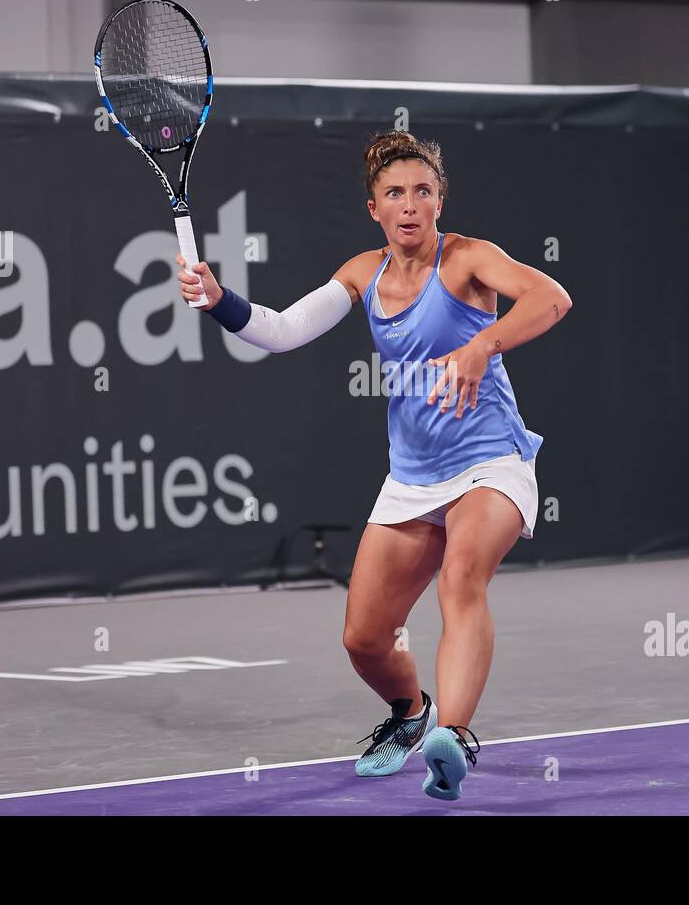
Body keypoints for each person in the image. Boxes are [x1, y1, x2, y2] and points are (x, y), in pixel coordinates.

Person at [177, 130, 571, 800]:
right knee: (364, 637)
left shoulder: (471, 259)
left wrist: (483, 346)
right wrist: (218, 300)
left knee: (461, 575)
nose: (410, 204)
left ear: (440, 200)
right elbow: (282, 331)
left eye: (422, 191)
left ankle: (455, 735)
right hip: (413, 477)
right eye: (395, 194)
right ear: (374, 209)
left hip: (490, 463)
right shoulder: (364, 272)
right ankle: (412, 713)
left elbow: (552, 297)